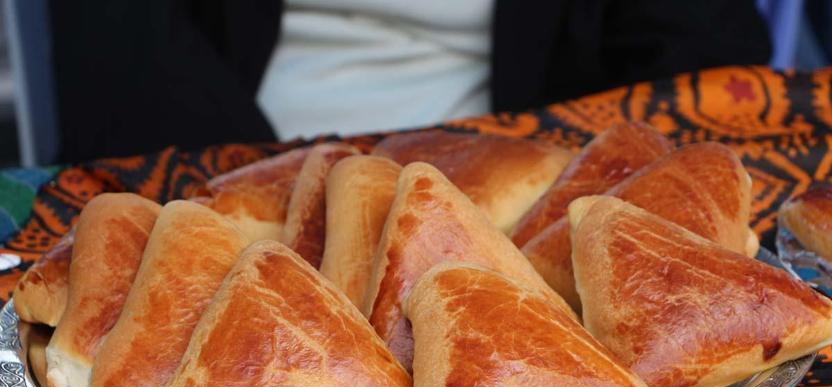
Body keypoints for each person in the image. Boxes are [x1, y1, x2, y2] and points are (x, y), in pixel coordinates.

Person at [48, 0, 770, 162]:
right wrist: (263, 185)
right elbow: (118, 40)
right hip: (241, 158)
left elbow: (706, 56)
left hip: (524, 174)